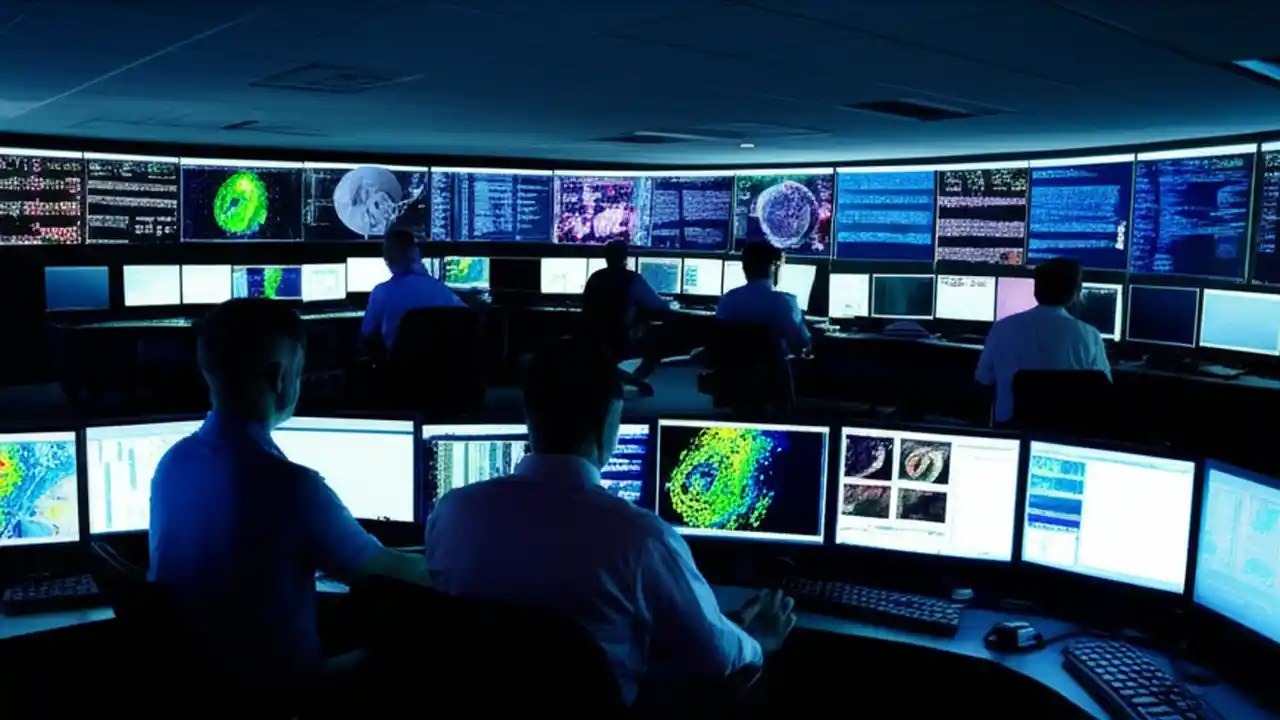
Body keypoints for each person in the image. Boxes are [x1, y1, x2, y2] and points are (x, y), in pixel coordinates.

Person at [425, 337, 796, 706]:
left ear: (528, 415)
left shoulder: (451, 512)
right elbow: (715, 657)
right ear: (610, 420)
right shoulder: (642, 538)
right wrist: (758, 639)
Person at [149, 299, 431, 687]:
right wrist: (456, 563)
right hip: (284, 695)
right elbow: (381, 571)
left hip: (196, 691)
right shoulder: (291, 486)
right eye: (300, 374)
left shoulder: (171, 464)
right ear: (279, 378)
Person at [976, 257, 1112, 424]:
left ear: (1036, 291)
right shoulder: (1090, 335)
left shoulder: (1002, 328)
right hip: (1070, 431)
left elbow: (983, 377)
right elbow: (1104, 387)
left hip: (1012, 428)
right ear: (1075, 293)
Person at [582, 239, 676, 396]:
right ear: (625, 258)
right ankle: (635, 377)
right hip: (619, 338)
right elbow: (660, 306)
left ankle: (613, 376)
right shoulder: (632, 279)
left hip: (592, 337)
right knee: (656, 332)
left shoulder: (595, 277)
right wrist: (671, 304)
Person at [360, 228, 464, 353]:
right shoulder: (439, 289)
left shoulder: (381, 292)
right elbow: (467, 318)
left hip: (400, 369)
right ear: (416, 254)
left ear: (387, 260)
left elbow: (367, 333)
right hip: (441, 368)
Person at [716, 241, 811, 355]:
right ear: (775, 267)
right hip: (773, 371)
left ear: (745, 268)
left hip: (733, 371)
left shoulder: (727, 300)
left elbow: (718, 342)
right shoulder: (785, 303)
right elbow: (802, 344)